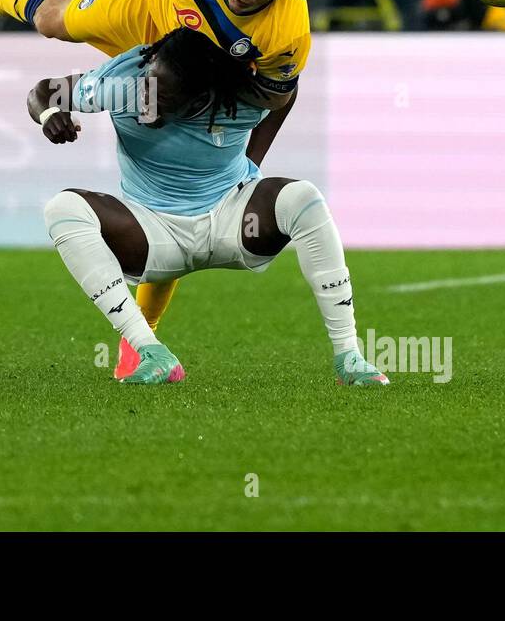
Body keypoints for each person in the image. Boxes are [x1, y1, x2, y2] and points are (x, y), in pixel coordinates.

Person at [0, 0, 326, 376]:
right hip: (142, 15)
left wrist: (251, 165)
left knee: (175, 206)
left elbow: (280, 99)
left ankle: (146, 333)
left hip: (185, 80)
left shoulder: (286, 35)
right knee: (54, 21)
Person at [28, 26, 388, 388]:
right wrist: (47, 115)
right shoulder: (120, 83)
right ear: (149, 65)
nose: (150, 104)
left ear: (202, 96)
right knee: (63, 208)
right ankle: (151, 351)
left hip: (233, 223)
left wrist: (252, 165)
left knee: (304, 198)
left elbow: (287, 93)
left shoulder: (239, 95)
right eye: (151, 88)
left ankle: (349, 357)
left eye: (169, 100)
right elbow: (41, 92)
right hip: (153, 234)